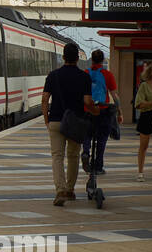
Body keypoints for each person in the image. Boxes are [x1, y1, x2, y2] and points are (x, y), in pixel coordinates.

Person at [41, 41, 95, 206]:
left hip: (56, 120)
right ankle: (70, 190)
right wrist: (94, 109)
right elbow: (87, 100)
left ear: (63, 57)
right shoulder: (84, 77)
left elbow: (44, 99)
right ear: (78, 58)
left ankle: (60, 190)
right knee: (73, 156)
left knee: (57, 156)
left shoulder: (53, 75)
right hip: (75, 122)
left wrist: (46, 119)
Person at [81, 49, 122, 176]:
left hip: (87, 109)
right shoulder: (107, 74)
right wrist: (119, 111)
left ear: (92, 60)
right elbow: (115, 96)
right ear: (103, 60)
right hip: (103, 110)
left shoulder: (86, 73)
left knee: (87, 135)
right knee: (102, 138)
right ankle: (98, 166)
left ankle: (86, 152)